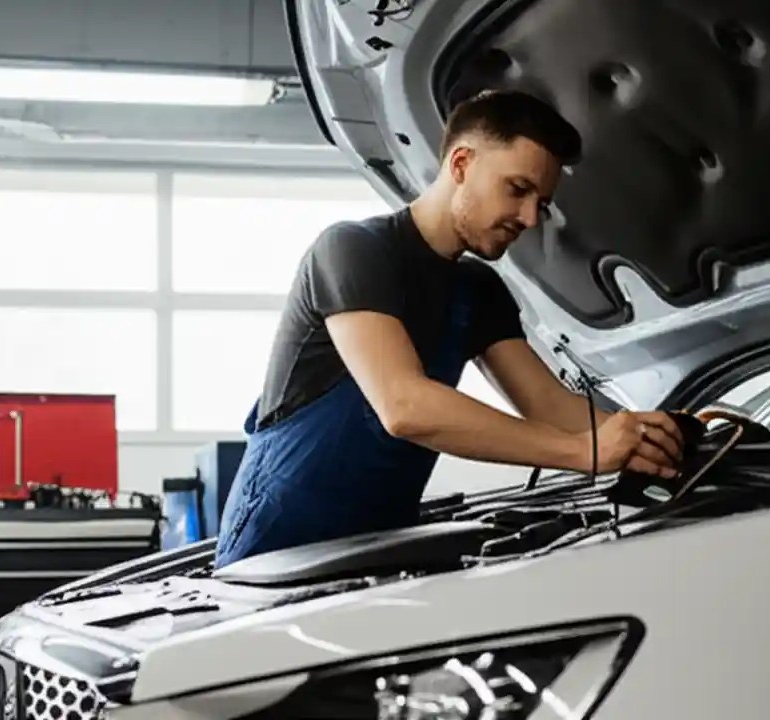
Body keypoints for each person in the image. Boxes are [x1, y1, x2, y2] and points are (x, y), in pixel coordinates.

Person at [214, 90, 684, 568]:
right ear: (461, 164)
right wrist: (581, 452)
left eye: (540, 203)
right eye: (517, 189)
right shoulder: (352, 251)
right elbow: (404, 406)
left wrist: (664, 436)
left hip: (377, 550)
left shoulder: (478, 289)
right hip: (274, 550)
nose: (528, 218)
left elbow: (549, 405)